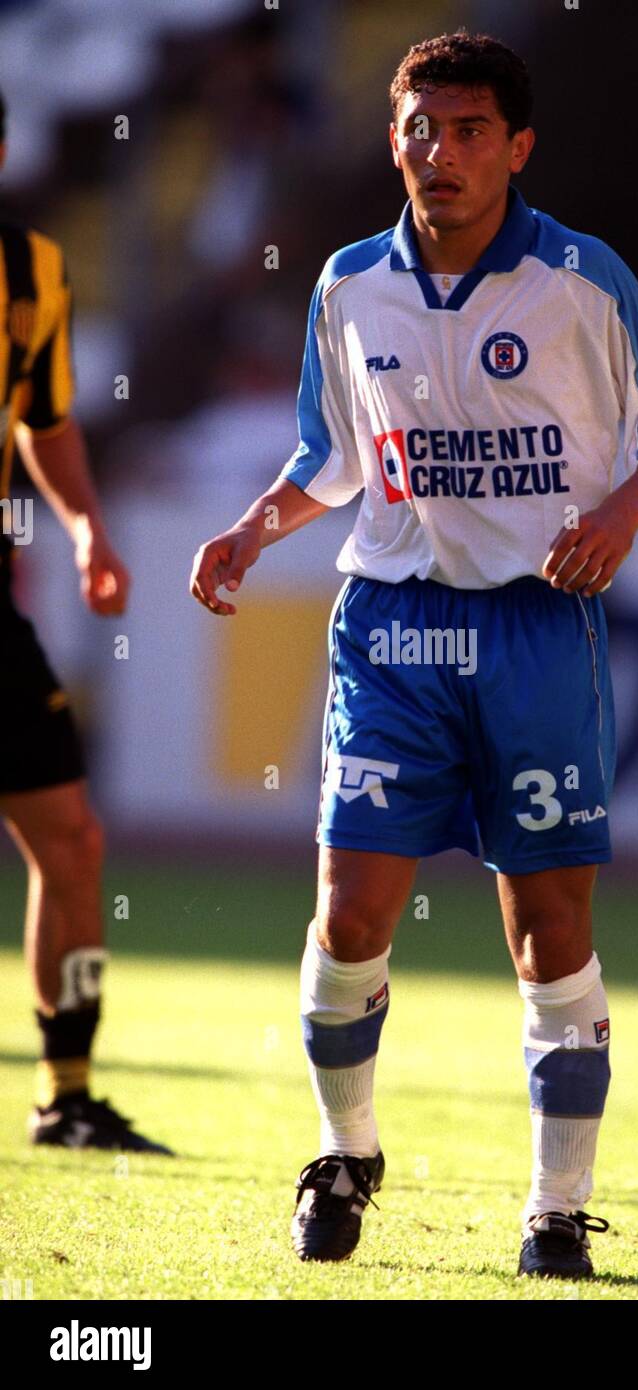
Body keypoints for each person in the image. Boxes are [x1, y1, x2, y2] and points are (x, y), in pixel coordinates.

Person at [190, 31, 638, 1278]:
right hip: (390, 631)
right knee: (349, 911)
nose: (440, 152)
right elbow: (328, 454)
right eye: (419, 129)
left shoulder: (584, 280)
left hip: (537, 627)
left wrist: (614, 515)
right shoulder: (345, 285)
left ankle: (553, 1208)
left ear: (517, 147)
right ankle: (344, 1152)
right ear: (392, 140)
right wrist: (254, 526)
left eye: (469, 129)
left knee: (546, 928)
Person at [0, 90, 171, 1154]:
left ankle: (66, 1094)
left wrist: (84, 529)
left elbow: (46, 418)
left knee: (71, 837)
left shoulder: (34, 270)